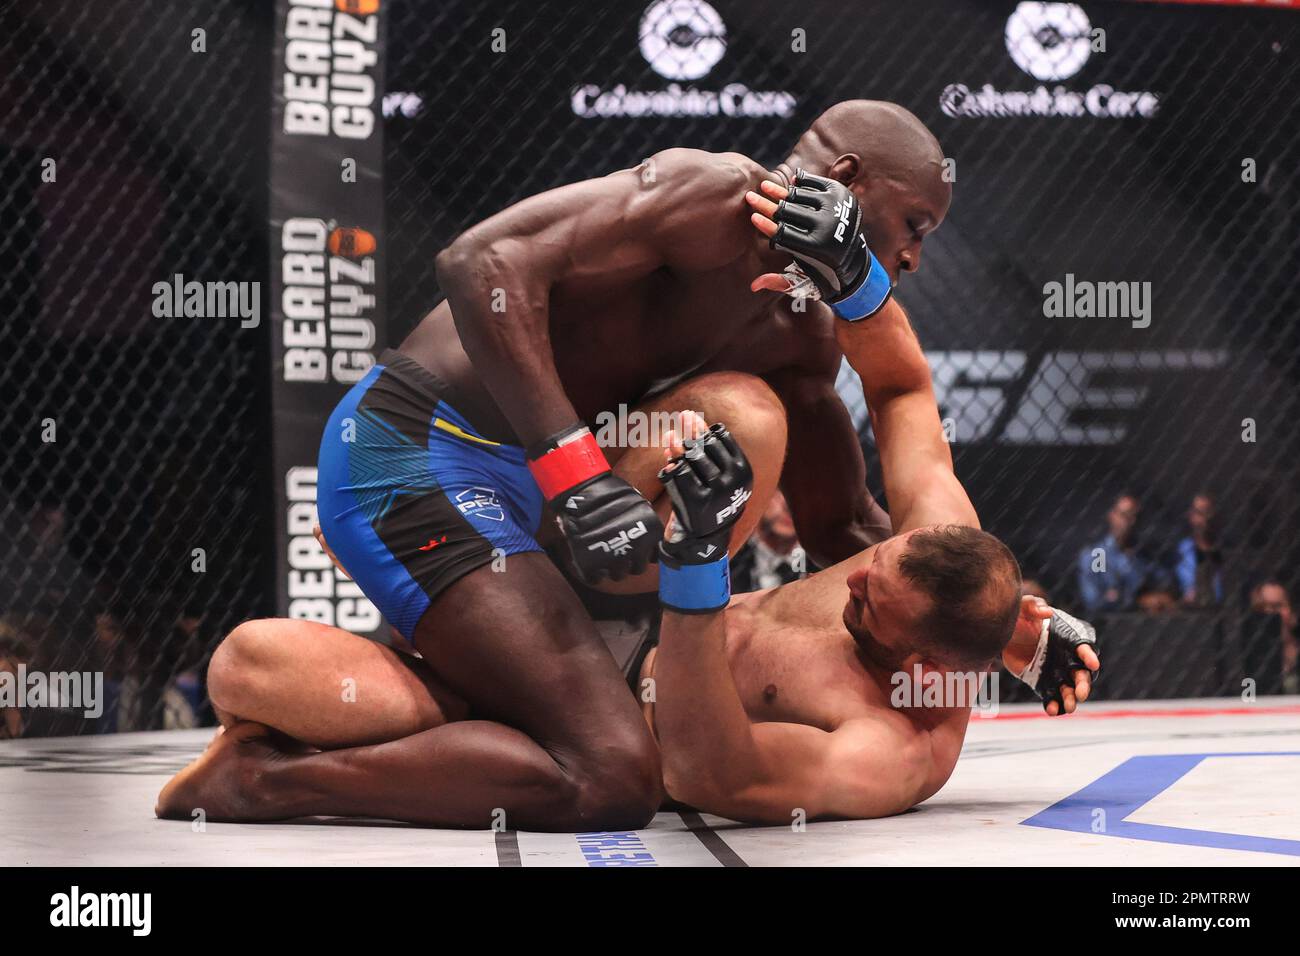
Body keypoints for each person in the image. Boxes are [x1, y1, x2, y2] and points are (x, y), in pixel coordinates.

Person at [155, 175, 1100, 826]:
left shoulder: (891, 752)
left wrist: (696, 567)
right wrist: (860, 287)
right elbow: (902, 391)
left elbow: (705, 770)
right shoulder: (940, 550)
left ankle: (273, 778)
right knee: (744, 415)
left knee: (251, 665)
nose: (849, 575)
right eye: (875, 563)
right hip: (603, 579)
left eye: (871, 600)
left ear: (926, 664)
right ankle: (488, 559)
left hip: (603, 699)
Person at [1076, 493, 1169, 615]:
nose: (1132, 522)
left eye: (1136, 517)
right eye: (1125, 515)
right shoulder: (1097, 554)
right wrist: (1138, 601)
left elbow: (1163, 584)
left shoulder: (1143, 554)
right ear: (1112, 515)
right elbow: (1094, 600)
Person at [730, 489, 808, 592]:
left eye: (807, 497)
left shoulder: (821, 568)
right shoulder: (726, 556)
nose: (790, 507)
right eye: (783, 490)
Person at [1175, 492, 1223, 607]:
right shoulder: (1180, 550)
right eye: (1199, 513)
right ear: (1190, 516)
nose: (1205, 519)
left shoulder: (1225, 549)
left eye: (1208, 512)